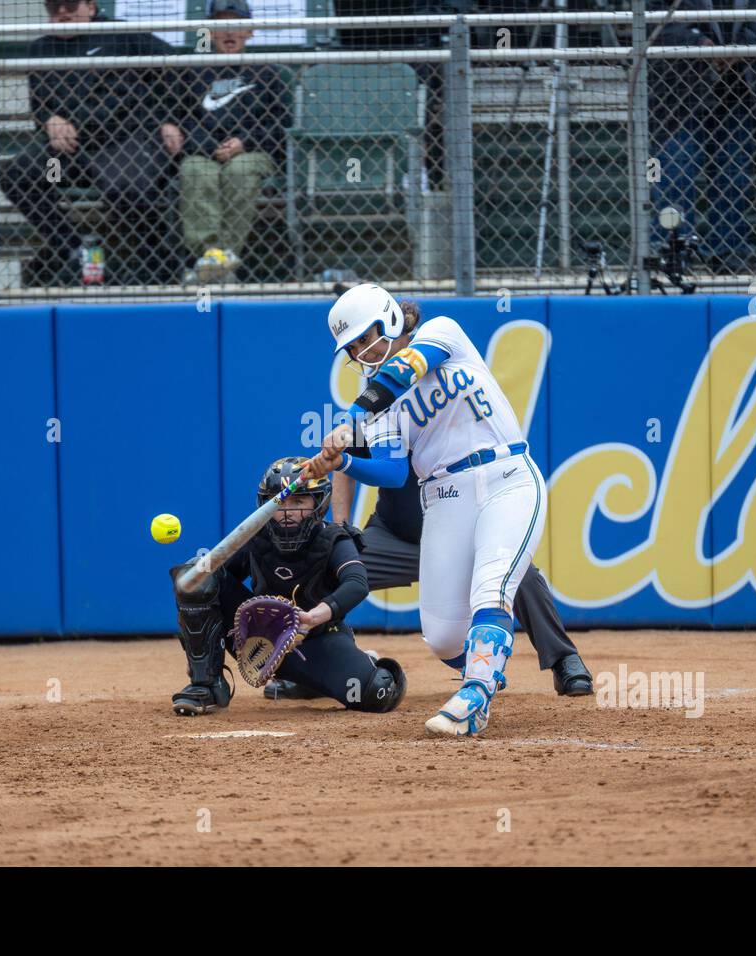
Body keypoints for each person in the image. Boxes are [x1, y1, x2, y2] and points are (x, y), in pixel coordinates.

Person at [302, 283, 548, 738]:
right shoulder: (379, 407)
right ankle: (485, 665)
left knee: (491, 586)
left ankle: (477, 692)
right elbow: (394, 473)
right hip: (443, 497)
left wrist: (349, 420)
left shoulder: (441, 333)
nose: (361, 351)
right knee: (442, 636)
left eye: (365, 337)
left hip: (505, 477)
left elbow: (405, 371)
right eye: (352, 347)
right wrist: (347, 461)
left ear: (391, 320)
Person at [169, 457, 406, 717]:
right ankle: (206, 685)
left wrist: (311, 618)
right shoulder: (256, 535)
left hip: (316, 641)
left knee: (378, 692)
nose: (288, 511)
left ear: (318, 502)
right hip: (258, 642)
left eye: (299, 501)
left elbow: (357, 583)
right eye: (280, 501)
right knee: (198, 576)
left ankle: (316, 679)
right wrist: (199, 573)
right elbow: (221, 582)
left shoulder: (334, 539)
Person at [0, 0, 184, 287]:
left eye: (70, 4)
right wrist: (50, 121)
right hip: (68, 156)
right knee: (21, 174)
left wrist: (168, 117)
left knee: (124, 187)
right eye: (54, 7)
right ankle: (71, 243)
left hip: (125, 143)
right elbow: (40, 104)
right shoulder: (41, 48)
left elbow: (176, 68)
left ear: (91, 7)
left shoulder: (122, 35)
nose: (62, 13)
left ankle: (160, 258)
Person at [647, 0, 756, 273]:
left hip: (740, 90)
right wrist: (699, 46)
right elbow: (655, 20)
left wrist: (739, 50)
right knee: (674, 176)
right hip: (679, 93)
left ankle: (728, 252)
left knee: (733, 178)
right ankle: (670, 250)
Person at [165, 0, 291, 283]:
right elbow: (182, 120)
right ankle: (213, 256)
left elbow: (281, 124)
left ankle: (223, 259)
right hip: (203, 152)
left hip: (252, 152)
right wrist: (210, 147)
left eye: (236, 25)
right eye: (221, 25)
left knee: (240, 171)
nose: (229, 33)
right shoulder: (192, 70)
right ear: (209, 31)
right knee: (196, 171)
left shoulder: (267, 73)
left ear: (249, 31)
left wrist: (244, 142)